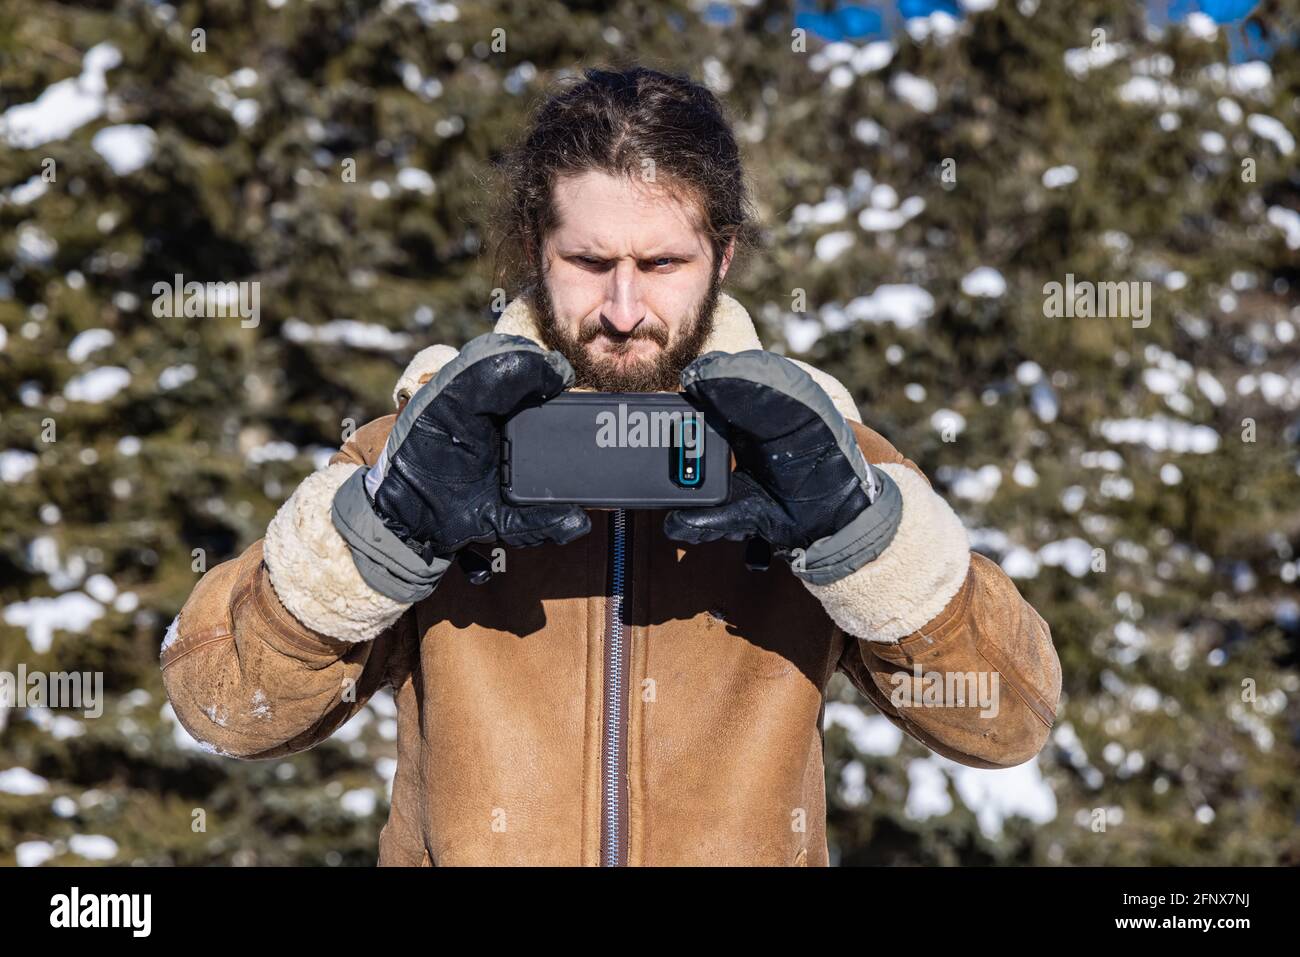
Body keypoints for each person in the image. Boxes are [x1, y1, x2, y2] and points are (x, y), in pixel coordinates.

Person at [160, 65, 1061, 866]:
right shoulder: (434, 439)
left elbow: (1008, 718)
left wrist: (863, 542)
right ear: (534, 251)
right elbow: (225, 702)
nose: (624, 309)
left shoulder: (809, 447)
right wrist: (381, 534)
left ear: (725, 257)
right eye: (589, 262)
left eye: (662, 262)